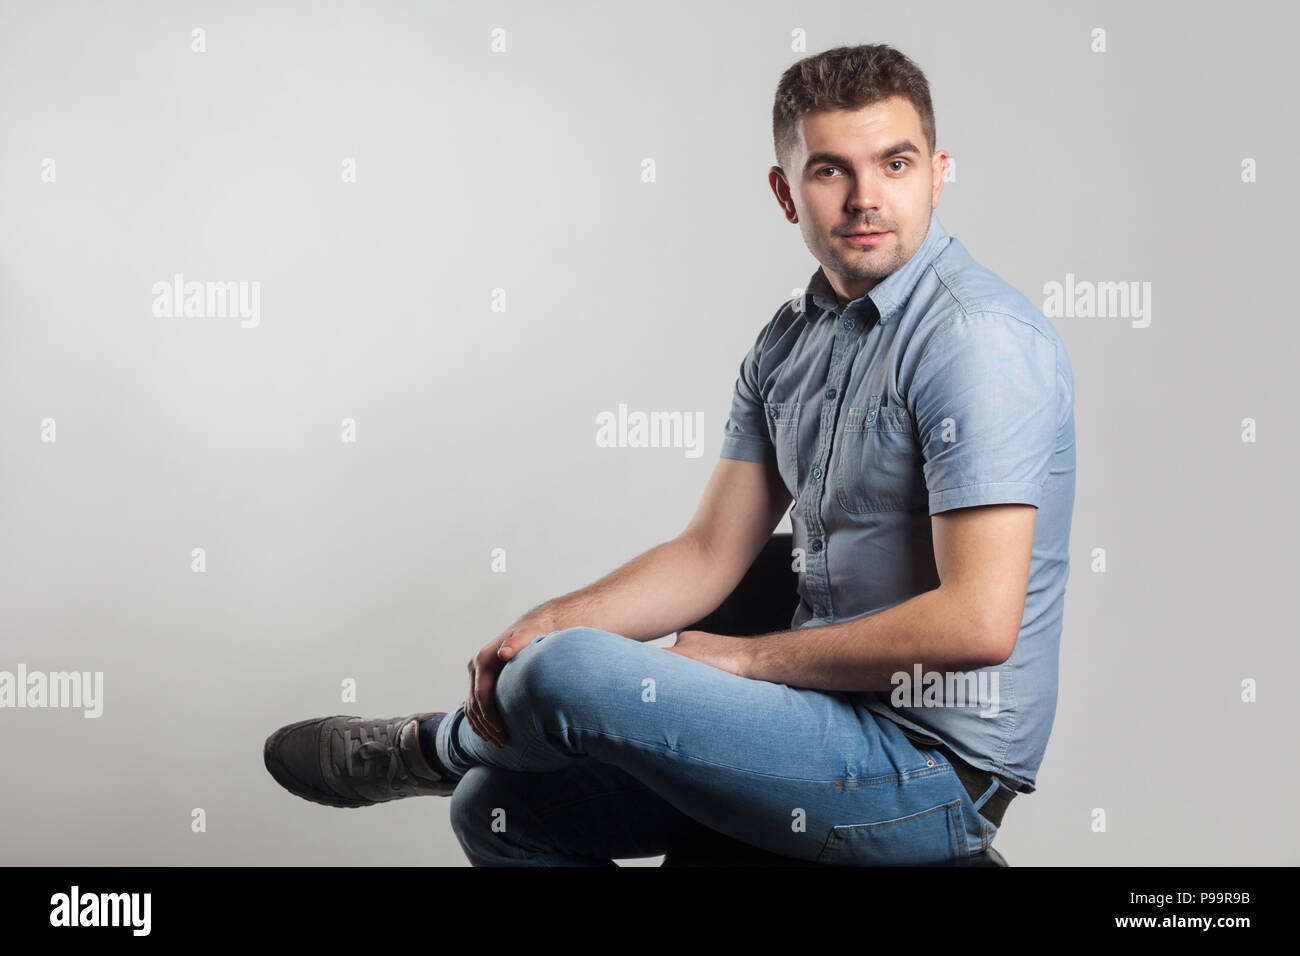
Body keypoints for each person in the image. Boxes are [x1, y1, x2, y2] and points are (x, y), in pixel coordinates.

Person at [264, 42, 1076, 867]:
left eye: (894, 163)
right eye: (831, 171)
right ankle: (473, 756)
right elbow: (708, 553)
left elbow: (978, 621)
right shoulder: (789, 343)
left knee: (567, 676)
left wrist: (749, 662)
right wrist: (544, 622)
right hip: (818, 725)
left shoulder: (975, 341)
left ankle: (432, 747)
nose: (867, 199)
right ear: (784, 194)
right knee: (498, 809)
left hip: (929, 769)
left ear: (937, 173)